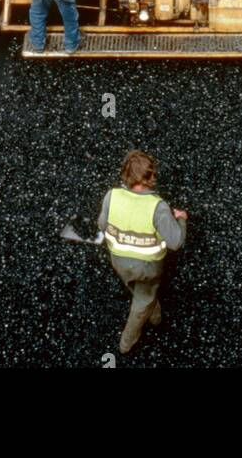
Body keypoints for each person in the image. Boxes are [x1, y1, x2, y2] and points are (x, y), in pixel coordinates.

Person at [98, 150, 188, 355]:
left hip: (119, 260)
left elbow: (102, 225)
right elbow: (175, 242)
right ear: (150, 177)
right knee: (143, 299)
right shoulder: (158, 207)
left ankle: (152, 310)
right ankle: (127, 341)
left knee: (135, 287)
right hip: (148, 267)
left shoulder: (111, 196)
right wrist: (181, 219)